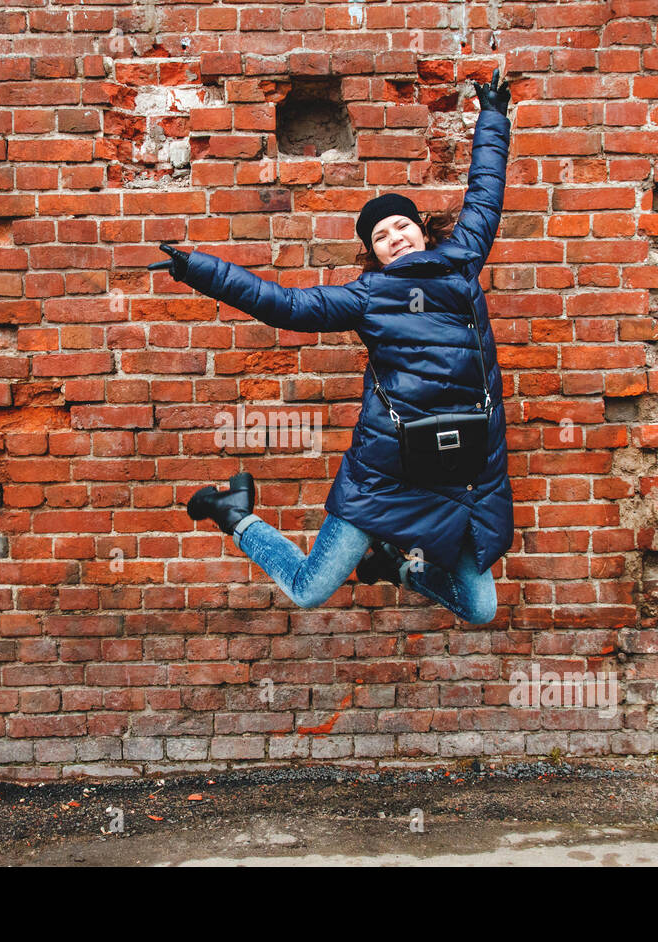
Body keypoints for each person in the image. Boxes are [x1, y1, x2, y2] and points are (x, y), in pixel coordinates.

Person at [149, 70, 515, 625]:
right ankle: (236, 515)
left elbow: (486, 187)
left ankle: (397, 566)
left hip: (458, 468)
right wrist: (200, 270)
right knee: (309, 589)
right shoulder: (366, 297)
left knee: (482, 607)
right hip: (387, 472)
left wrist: (492, 113)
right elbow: (285, 306)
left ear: (421, 228)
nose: (395, 238)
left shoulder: (463, 259)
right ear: (374, 252)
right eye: (381, 237)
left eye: (401, 225)